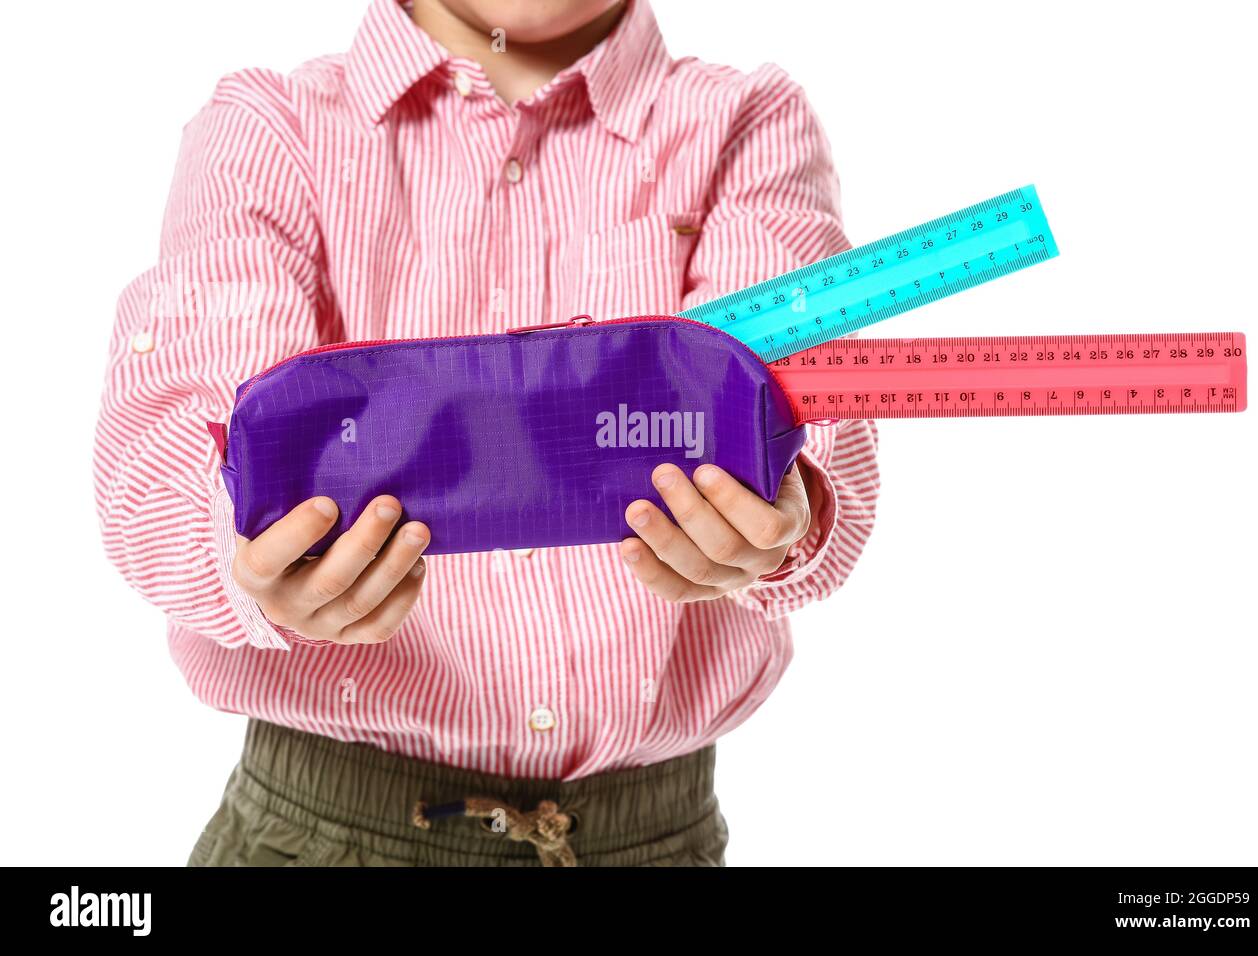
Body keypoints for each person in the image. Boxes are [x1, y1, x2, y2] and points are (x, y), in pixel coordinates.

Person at [94, 0, 879, 866]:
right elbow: (167, 441)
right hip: (319, 834)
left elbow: (817, 414)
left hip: (658, 840)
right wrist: (247, 558)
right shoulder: (269, 129)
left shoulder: (746, 123)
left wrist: (783, 515)